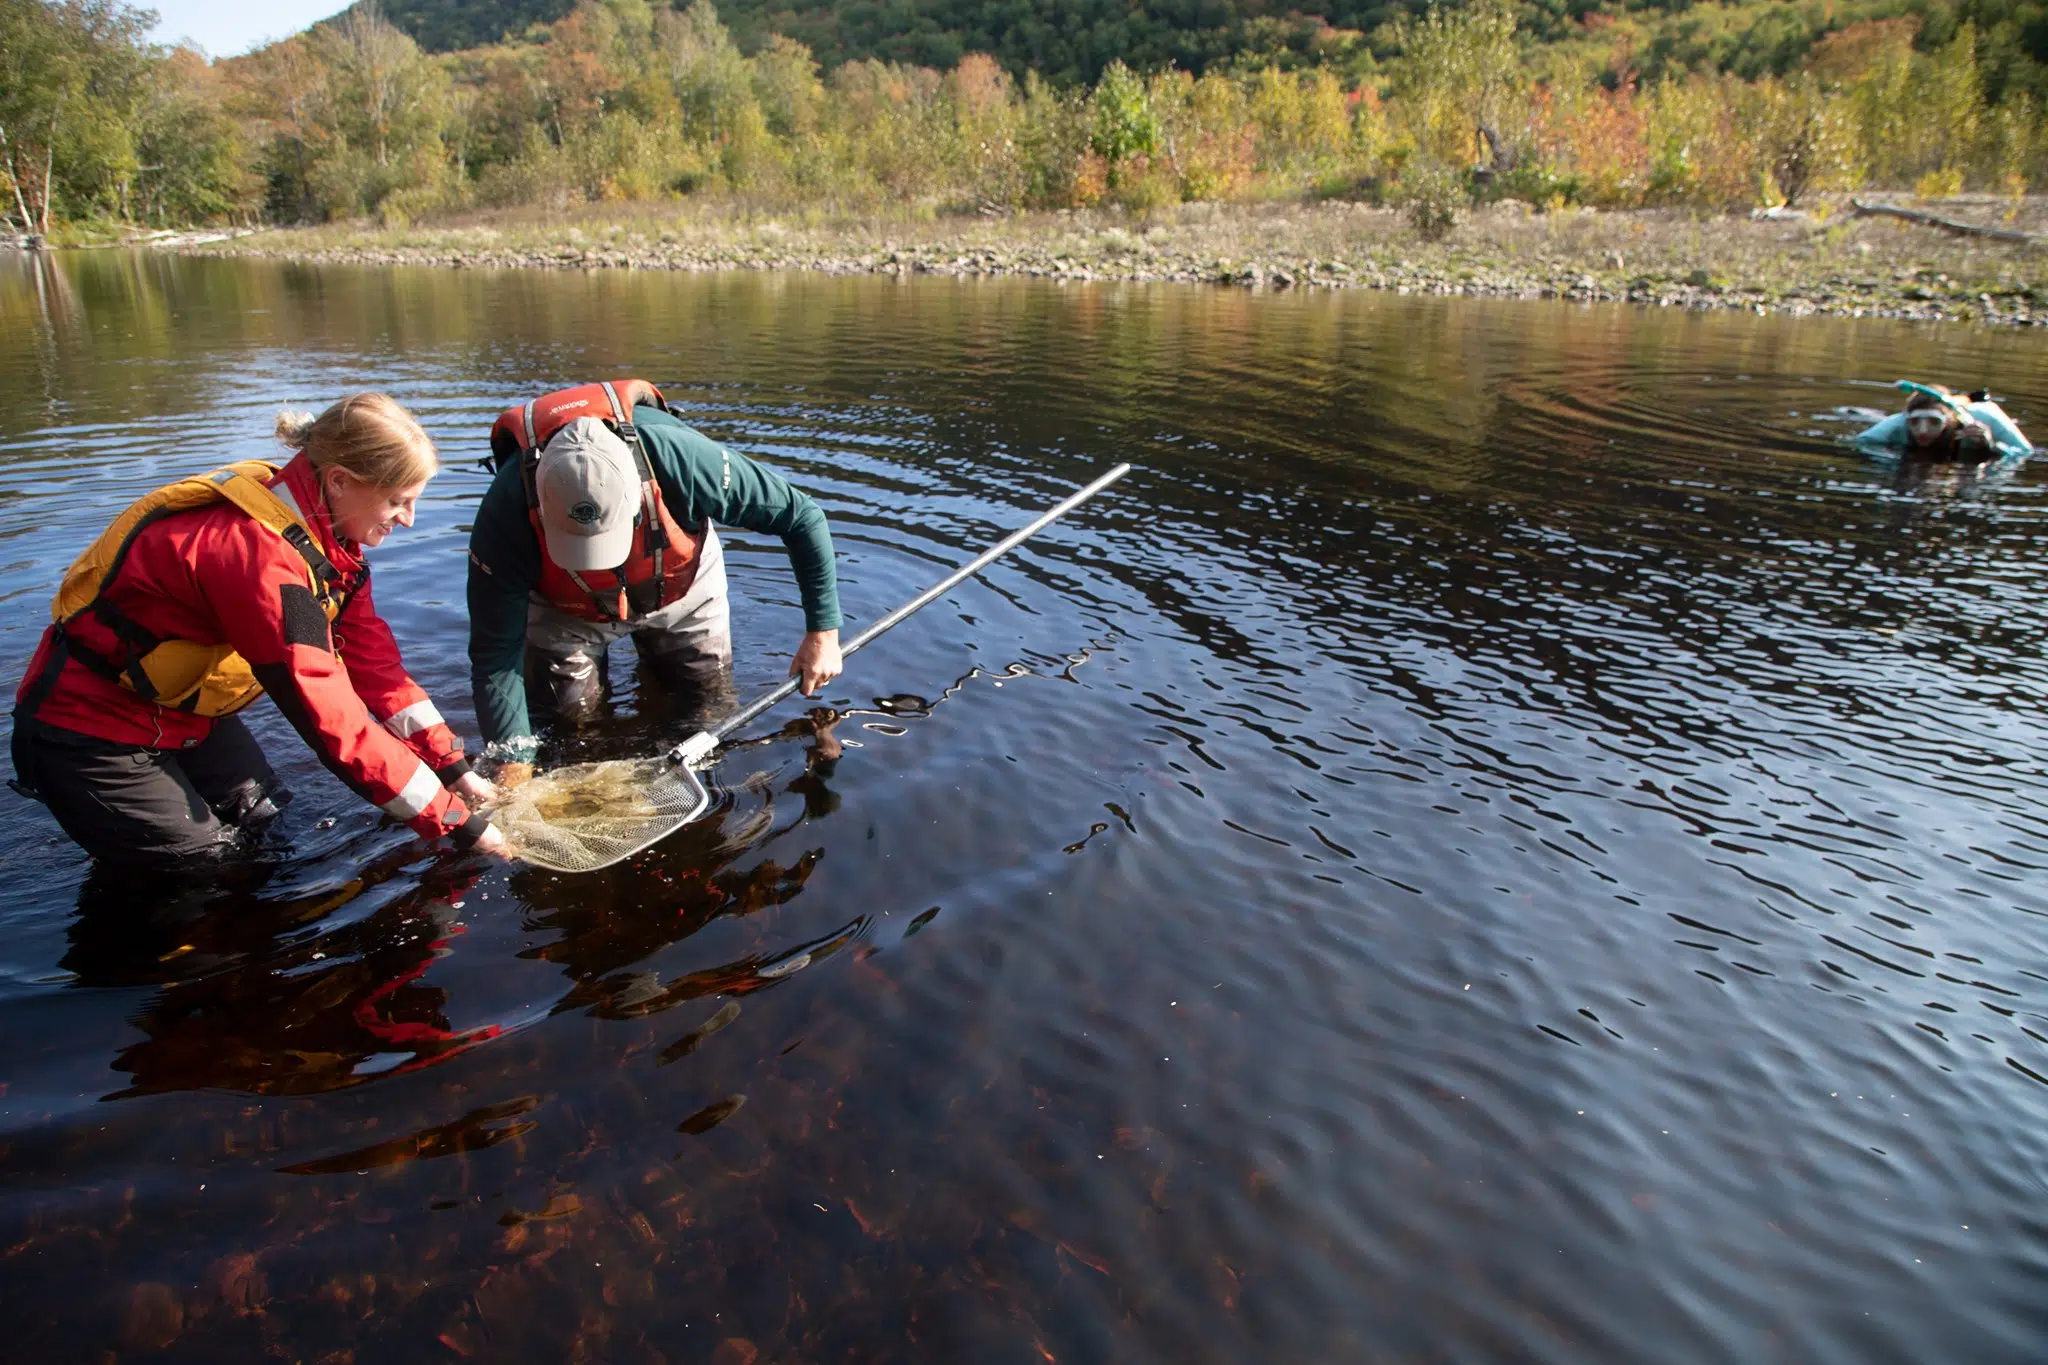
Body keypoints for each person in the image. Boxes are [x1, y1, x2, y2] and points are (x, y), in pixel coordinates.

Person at [9, 394, 505, 869]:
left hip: (181, 712)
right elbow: (330, 717)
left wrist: (453, 769)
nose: (410, 521)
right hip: (90, 730)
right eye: (397, 502)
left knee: (267, 824)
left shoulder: (325, 540)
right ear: (339, 480)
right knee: (207, 870)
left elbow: (374, 666)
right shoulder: (263, 564)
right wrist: (457, 823)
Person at [466, 380, 843, 785]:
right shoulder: (503, 514)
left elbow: (801, 517)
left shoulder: (686, 462)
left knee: (705, 709)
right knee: (566, 725)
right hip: (563, 611)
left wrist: (822, 634)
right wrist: (513, 761)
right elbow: (495, 657)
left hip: (683, 589)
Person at [1901, 388, 1998, 464]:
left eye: (1934, 422)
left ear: (1947, 421)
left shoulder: (1983, 418)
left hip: (1976, 407)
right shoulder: (1896, 426)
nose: (1923, 431)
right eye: (1914, 422)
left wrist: (1987, 446)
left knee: (1980, 397)